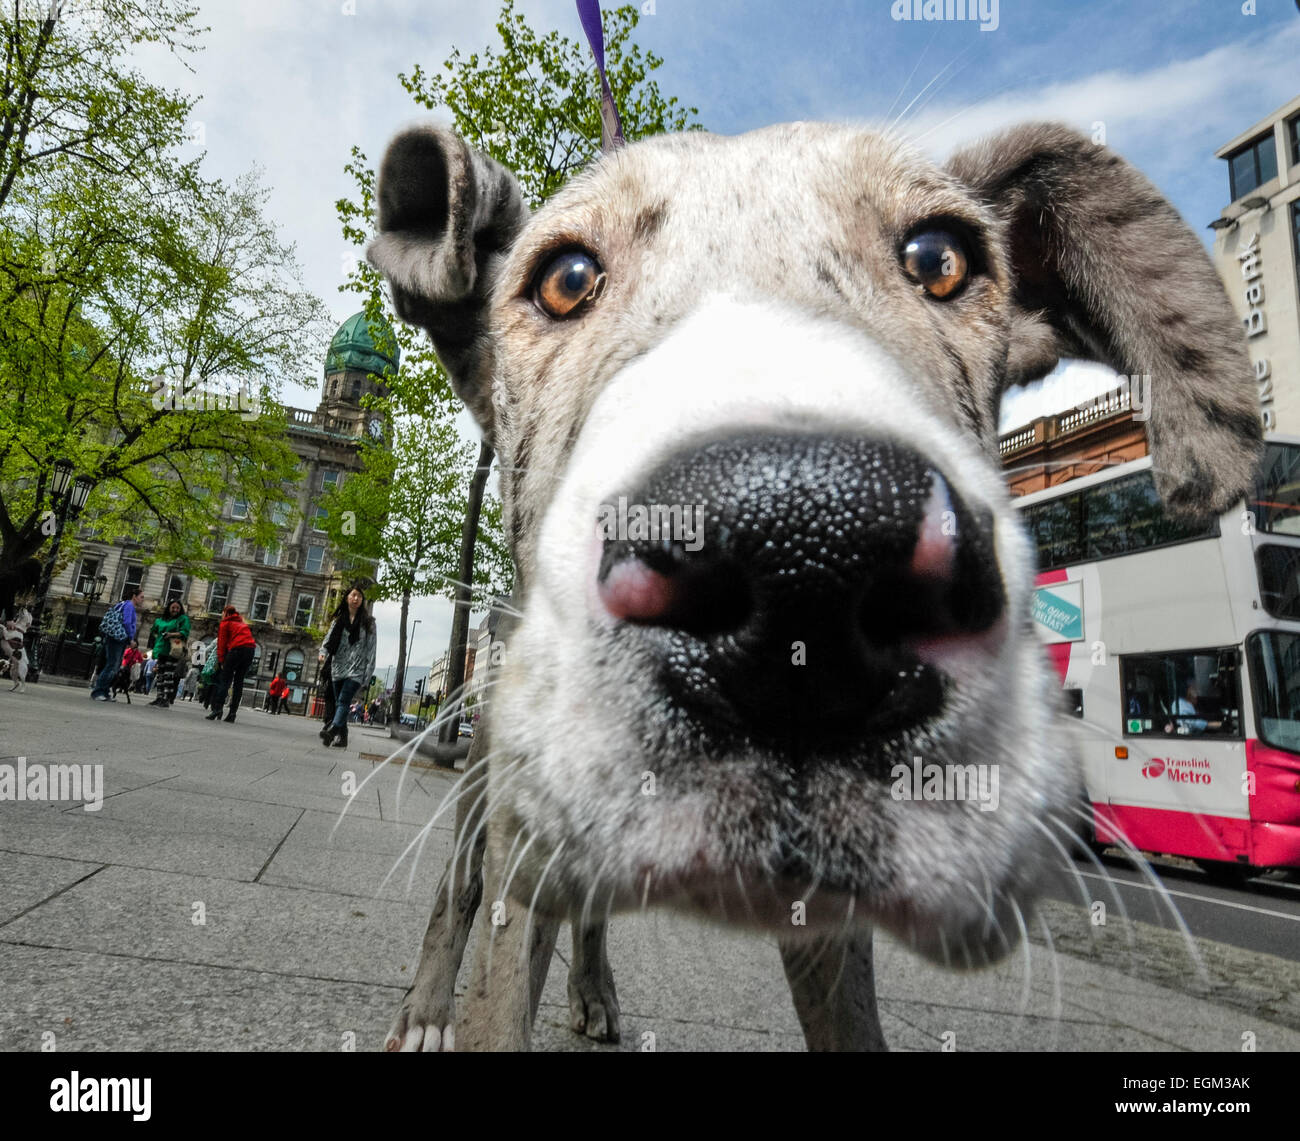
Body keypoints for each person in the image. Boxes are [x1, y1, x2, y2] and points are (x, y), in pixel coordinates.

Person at [319, 584, 376, 749]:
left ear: (362, 600)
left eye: (359, 596)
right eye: (353, 595)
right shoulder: (338, 620)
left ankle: (332, 729)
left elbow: (371, 649)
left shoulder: (369, 623)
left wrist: (368, 671)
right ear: (347, 598)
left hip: (356, 669)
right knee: (340, 703)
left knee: (344, 700)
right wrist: (323, 652)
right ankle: (343, 738)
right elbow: (328, 639)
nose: (356, 598)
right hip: (338, 667)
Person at [206, 605, 257, 723]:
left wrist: (221, 661)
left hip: (236, 650)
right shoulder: (243, 624)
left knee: (225, 680)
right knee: (239, 682)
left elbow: (221, 643)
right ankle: (232, 713)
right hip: (250, 650)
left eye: (222, 613)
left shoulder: (225, 623)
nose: (221, 616)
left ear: (225, 613)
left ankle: (217, 709)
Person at [91, 588, 143, 702]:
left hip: (114, 636)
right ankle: (98, 691)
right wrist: (131, 638)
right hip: (118, 638)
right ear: (134, 596)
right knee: (112, 665)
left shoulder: (122, 604)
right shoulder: (129, 605)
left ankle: (104, 691)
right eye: (141, 597)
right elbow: (127, 622)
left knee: (113, 665)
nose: (142, 600)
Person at [147, 599, 191, 708]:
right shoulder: (160, 620)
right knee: (160, 675)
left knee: (168, 675)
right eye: (173, 608)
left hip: (173, 651)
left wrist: (171, 634)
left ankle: (166, 699)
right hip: (161, 650)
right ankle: (159, 697)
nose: (175, 610)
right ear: (168, 608)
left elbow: (184, 632)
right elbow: (153, 631)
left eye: (177, 608)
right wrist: (156, 644)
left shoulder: (183, 619)